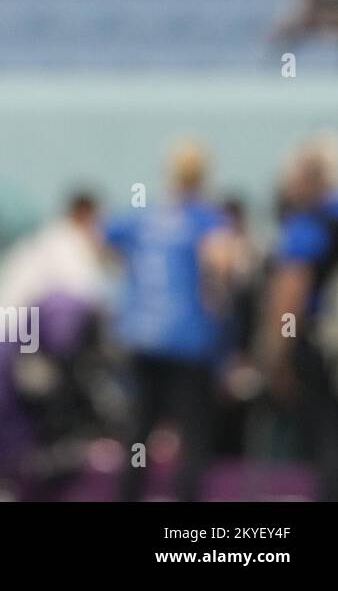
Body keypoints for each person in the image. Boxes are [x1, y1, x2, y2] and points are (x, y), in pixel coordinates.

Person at [105, 141, 234, 502]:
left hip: (142, 337)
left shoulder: (142, 217)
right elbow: (221, 273)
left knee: (139, 430)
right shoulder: (207, 221)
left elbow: (104, 241)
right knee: (192, 435)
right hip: (190, 341)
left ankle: (127, 496)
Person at [260, 137, 338, 500]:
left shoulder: (310, 223)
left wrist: (275, 358)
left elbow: (288, 297)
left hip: (323, 353)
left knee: (327, 440)